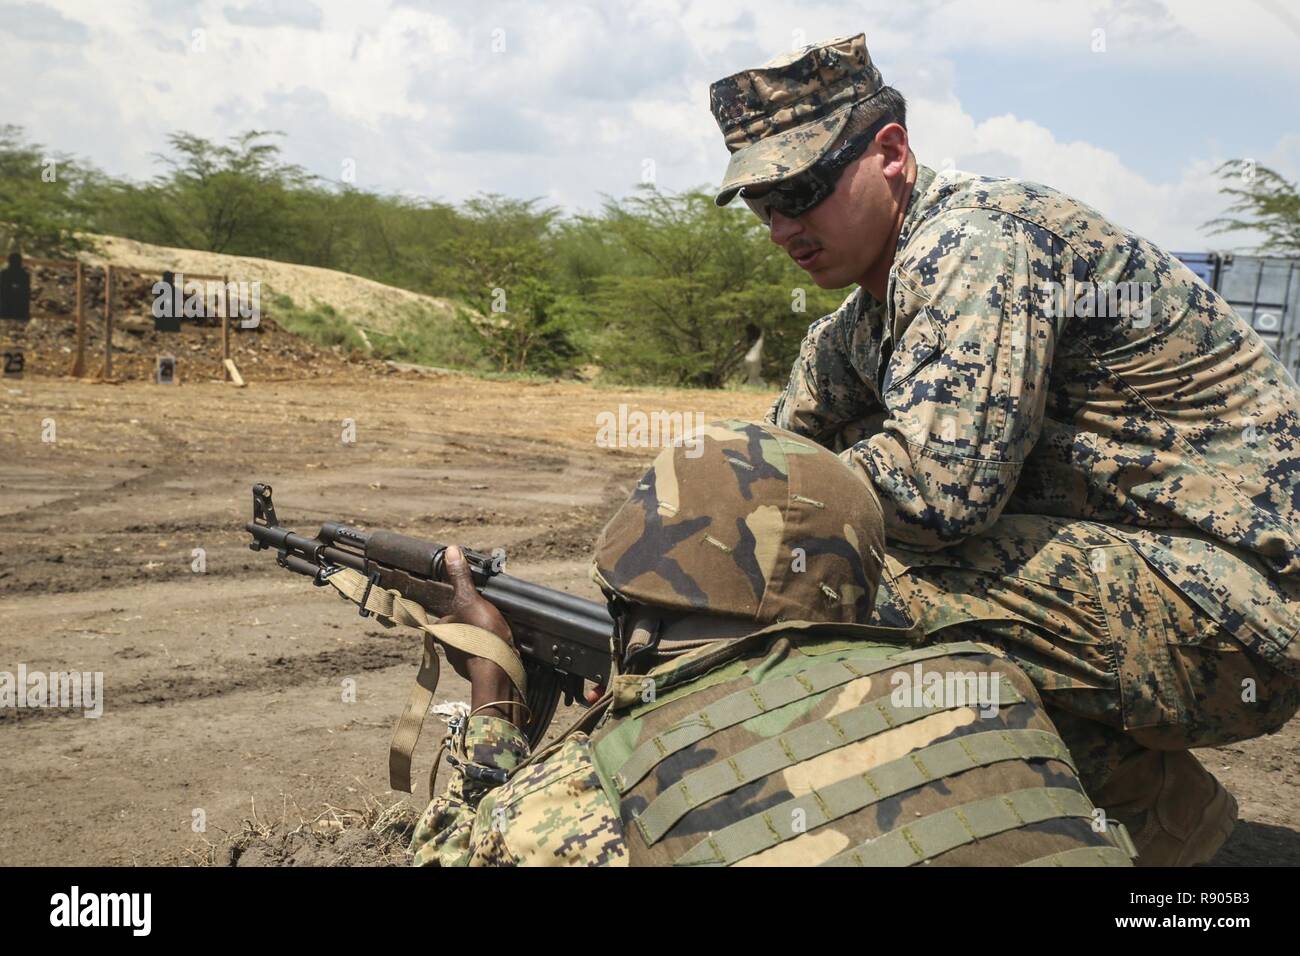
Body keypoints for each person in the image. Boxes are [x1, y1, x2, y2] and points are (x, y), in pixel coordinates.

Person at [708, 33, 1300, 865]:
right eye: (762, 204)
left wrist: (740, 554)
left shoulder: (975, 244)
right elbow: (765, 458)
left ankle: (1144, 817)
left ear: (891, 152)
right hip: (1145, 579)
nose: (782, 226)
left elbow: (934, 494)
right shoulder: (860, 321)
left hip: (1245, 604)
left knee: (853, 583)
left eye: (802, 189)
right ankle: (1150, 809)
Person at [407, 420, 1134, 866]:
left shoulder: (585, 792)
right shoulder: (995, 689)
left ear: (634, 592)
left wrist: (493, 695)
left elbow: (445, 855)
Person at [0, 251, 31, 321]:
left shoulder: (4, 274)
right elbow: (26, 294)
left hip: (6, 310)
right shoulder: (25, 275)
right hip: (20, 311)